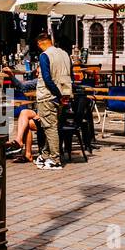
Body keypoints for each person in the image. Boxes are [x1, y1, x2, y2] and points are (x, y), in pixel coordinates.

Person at [32, 32, 72, 170]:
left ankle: (55, 159)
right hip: (64, 92)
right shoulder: (65, 54)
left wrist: (57, 93)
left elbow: (47, 79)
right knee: (52, 125)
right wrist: (62, 95)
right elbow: (70, 74)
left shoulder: (45, 55)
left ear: (40, 43)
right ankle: (45, 155)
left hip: (48, 95)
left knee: (50, 127)